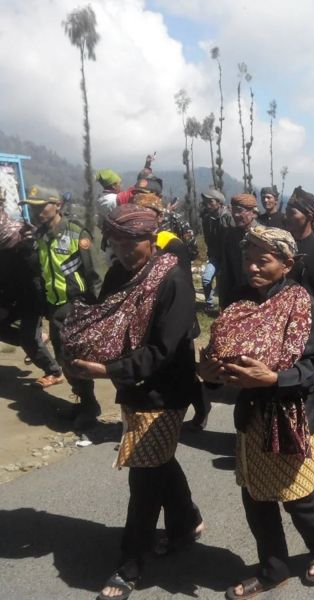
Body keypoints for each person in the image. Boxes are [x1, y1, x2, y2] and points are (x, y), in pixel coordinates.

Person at [64, 204, 203, 600]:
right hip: (131, 385)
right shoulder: (118, 274)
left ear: (152, 238)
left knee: (143, 478)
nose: (126, 251)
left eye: (134, 243)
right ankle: (185, 521)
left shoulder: (173, 279)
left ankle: (130, 563)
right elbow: (108, 321)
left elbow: (162, 349)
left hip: (164, 390)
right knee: (157, 460)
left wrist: (104, 372)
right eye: (118, 243)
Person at [198, 225, 314, 596]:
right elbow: (223, 357)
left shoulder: (305, 305)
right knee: (255, 496)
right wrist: (210, 375)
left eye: (263, 261)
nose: (252, 268)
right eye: (248, 260)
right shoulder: (240, 301)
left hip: (291, 416)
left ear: (286, 263)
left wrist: (274, 378)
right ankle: (273, 567)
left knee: (296, 495)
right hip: (251, 415)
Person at [23, 186, 102, 429]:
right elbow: (41, 271)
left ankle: (90, 406)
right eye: (32, 207)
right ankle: (84, 400)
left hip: (76, 307)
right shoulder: (39, 236)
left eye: (41, 206)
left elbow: (95, 274)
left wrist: (99, 310)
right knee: (64, 359)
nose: (36, 212)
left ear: (57, 205)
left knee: (78, 359)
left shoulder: (77, 233)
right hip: (54, 308)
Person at [0, 205, 63, 387]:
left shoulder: (22, 234)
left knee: (29, 338)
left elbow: (40, 269)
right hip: (9, 295)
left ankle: (54, 371)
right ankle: (37, 339)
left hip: (31, 294)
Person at [218, 193, 259, 310]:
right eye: (233, 210)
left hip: (257, 295)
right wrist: (223, 300)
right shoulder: (230, 235)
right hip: (235, 294)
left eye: (240, 211)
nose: (235, 214)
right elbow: (226, 270)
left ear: (253, 212)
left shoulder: (263, 235)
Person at [199, 188, 233, 311]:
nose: (208, 204)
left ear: (219, 203)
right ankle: (209, 304)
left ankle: (224, 307)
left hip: (228, 257)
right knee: (206, 278)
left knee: (225, 284)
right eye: (206, 202)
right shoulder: (207, 219)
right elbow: (208, 238)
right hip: (215, 256)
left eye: (211, 201)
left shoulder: (228, 217)